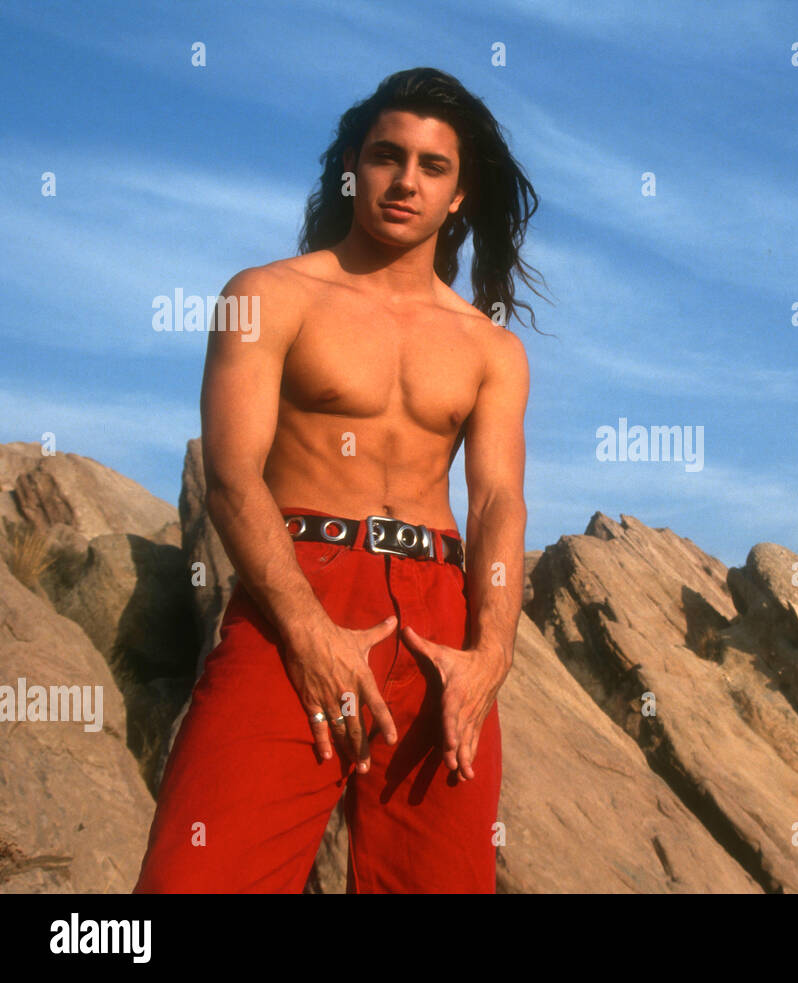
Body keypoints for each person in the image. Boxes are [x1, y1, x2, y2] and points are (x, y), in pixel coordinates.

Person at [134, 67, 546, 893]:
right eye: (387, 156)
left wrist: (491, 652)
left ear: (460, 193)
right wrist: (308, 631)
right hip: (300, 593)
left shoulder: (490, 348)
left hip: (439, 624)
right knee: (198, 878)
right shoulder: (268, 296)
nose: (406, 181)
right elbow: (232, 477)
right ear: (354, 167)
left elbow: (498, 500)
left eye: (434, 166)